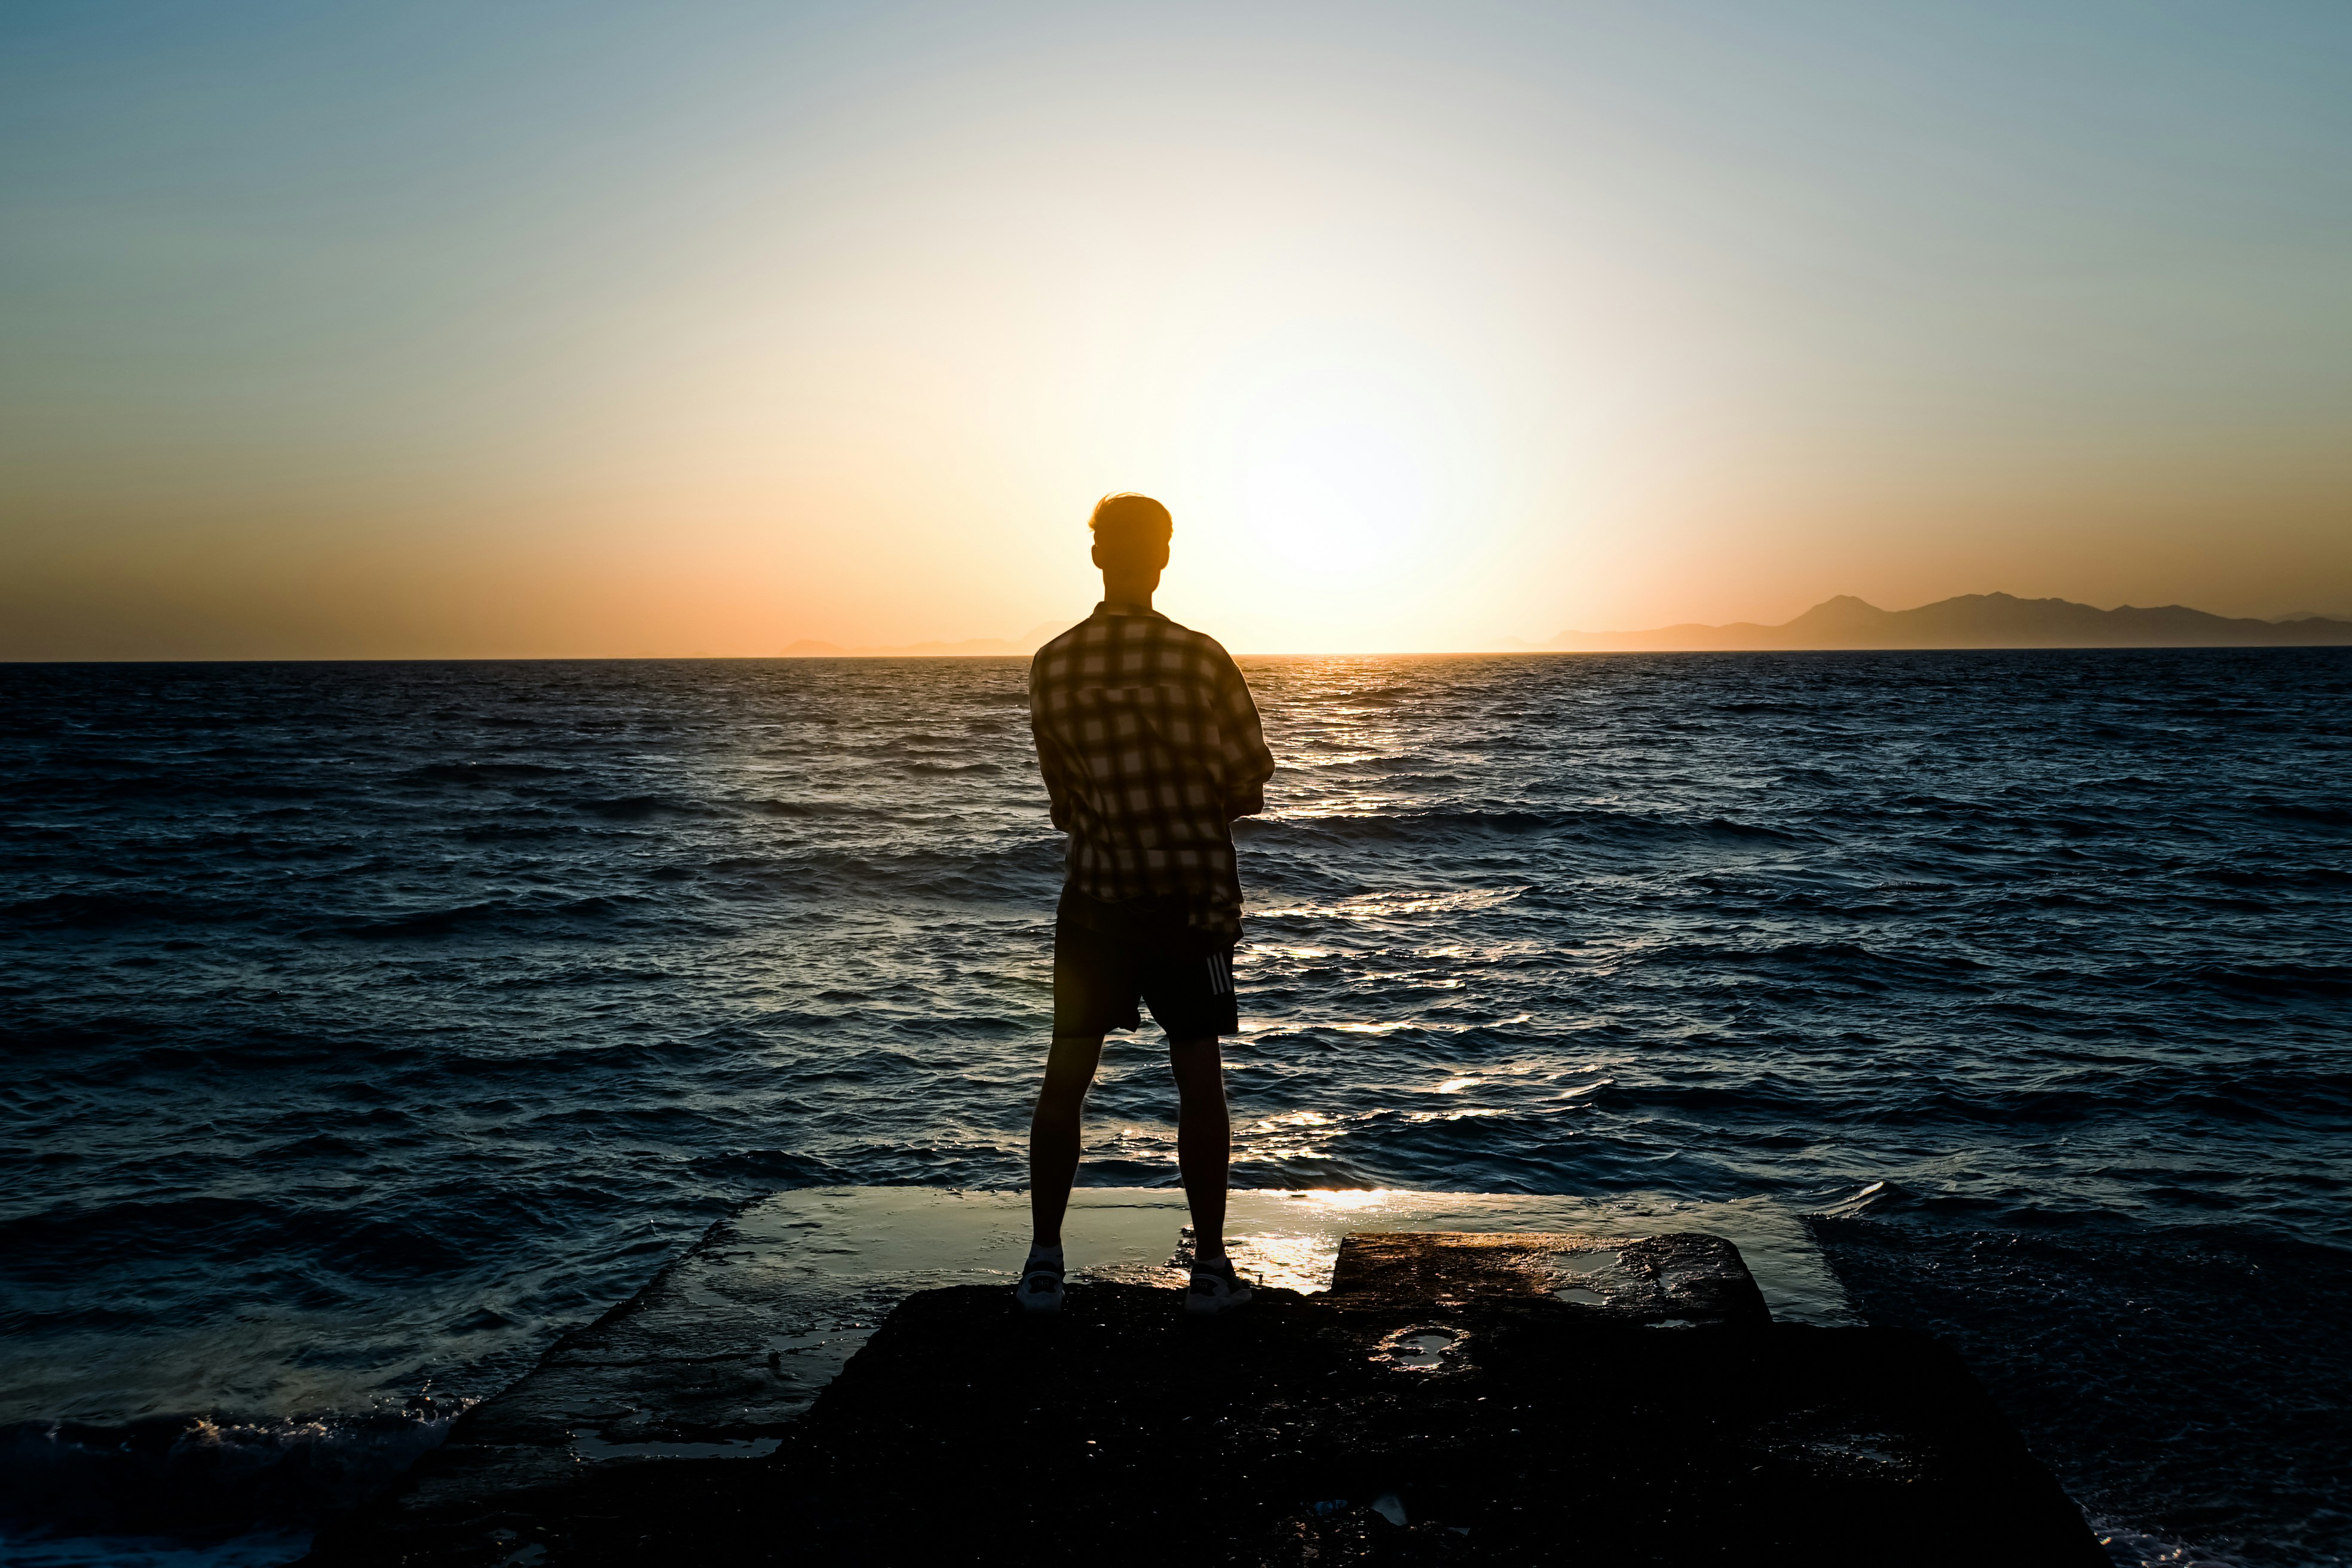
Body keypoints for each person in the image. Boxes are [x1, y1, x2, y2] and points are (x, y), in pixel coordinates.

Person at [1018, 492, 1276, 1316]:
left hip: (1095, 899)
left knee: (1067, 1076)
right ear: (1162, 558)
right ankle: (1208, 1270)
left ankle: (1044, 1266)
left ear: (1096, 556)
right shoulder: (1202, 660)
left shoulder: (1053, 665)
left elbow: (1063, 802)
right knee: (1198, 1077)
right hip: (1190, 901)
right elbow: (1251, 778)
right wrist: (1197, 808)